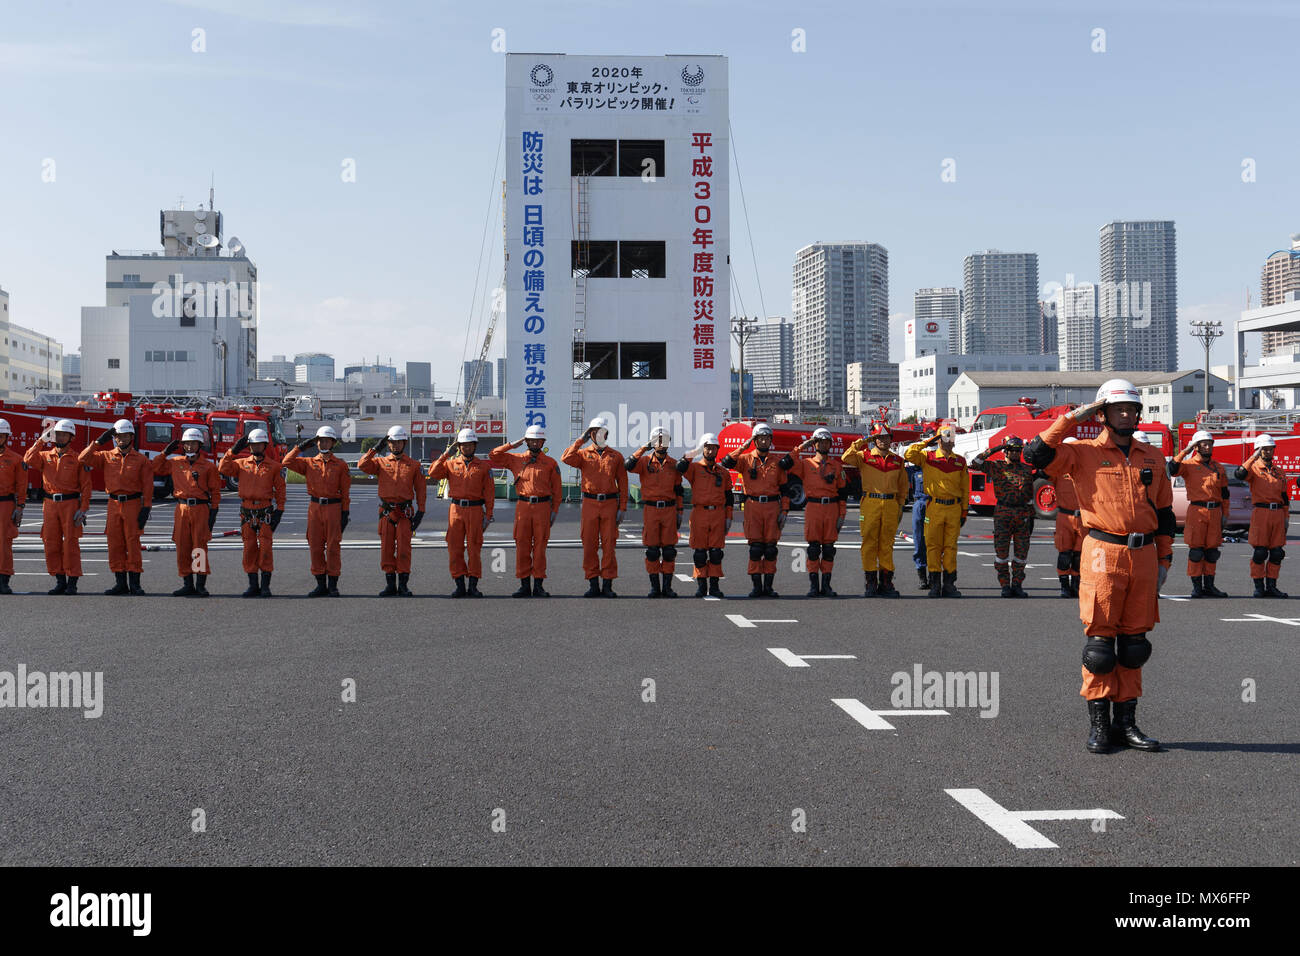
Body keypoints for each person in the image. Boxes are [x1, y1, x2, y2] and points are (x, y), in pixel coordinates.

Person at [1025, 379, 1173, 754]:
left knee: (1135, 645)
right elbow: (1035, 454)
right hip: (1102, 552)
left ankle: (1127, 724)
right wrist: (1073, 417)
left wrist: (1165, 558)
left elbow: (1166, 512)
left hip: (1143, 555)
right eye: (1118, 408)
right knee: (1101, 647)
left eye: (1132, 409)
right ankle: (1100, 726)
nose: (1126, 414)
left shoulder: (1152, 457)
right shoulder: (1081, 452)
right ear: (1103, 414)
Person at [79, 419, 154, 595]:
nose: (122, 439)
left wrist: (147, 507)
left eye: (125, 436)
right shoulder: (106, 456)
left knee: (132, 543)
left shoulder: (141, 460)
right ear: (114, 438)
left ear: (131, 437)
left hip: (133, 504)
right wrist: (98, 442)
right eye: (118, 436)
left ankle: (135, 583)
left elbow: (148, 485)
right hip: (113, 504)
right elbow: (82, 459)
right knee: (115, 544)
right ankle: (120, 583)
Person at [720, 422, 793, 597]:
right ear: (755, 440)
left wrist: (784, 511)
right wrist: (744, 446)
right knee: (755, 549)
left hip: (772, 507)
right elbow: (727, 462)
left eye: (767, 438)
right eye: (760, 438)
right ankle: (756, 587)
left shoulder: (777, 462)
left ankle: (768, 587)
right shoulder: (745, 459)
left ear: (770, 440)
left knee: (770, 549)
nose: (764, 441)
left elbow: (785, 489)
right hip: (752, 507)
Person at [489, 425, 562, 598]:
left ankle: (538, 585)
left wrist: (554, 511)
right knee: (522, 545)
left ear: (543, 442)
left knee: (540, 547)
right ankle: (523, 585)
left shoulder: (551, 463)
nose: (535, 443)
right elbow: (494, 455)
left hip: (543, 508)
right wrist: (513, 444)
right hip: (523, 506)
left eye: (538, 440)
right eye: (531, 440)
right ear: (527, 441)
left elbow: (557, 491)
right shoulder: (516, 459)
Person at [23, 419, 92, 595]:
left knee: (70, 543)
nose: (60, 437)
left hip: (70, 504)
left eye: (64, 434)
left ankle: (72, 582)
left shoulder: (78, 459)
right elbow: (28, 458)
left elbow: (86, 487)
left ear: (71, 437)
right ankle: (60, 580)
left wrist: (83, 509)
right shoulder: (45, 456)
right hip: (50, 504)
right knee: (51, 542)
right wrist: (40, 441)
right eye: (58, 434)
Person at [562, 417, 628, 597]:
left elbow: (623, 483)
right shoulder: (583, 454)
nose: (597, 435)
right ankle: (593, 584)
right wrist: (580, 440)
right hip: (590, 503)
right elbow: (566, 458)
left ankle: (607, 585)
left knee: (609, 545)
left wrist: (622, 507)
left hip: (610, 503)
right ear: (590, 435)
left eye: (601, 432)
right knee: (589, 544)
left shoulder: (616, 456)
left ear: (606, 434)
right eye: (594, 432)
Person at [283, 425, 352, 597]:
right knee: (315, 546)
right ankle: (320, 583)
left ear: (333, 443)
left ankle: (333, 585)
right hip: (315, 508)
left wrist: (345, 513)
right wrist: (300, 446)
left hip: (334, 508)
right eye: (320, 441)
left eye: (327, 440)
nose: (323, 443)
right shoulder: (309, 463)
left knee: (333, 547)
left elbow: (345, 492)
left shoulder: (341, 465)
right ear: (316, 442)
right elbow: (286, 462)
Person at [358, 425, 427, 597]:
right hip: (387, 512)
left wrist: (421, 512)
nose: (395, 446)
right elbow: (362, 465)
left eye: (398, 442)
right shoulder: (380, 463)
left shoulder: (413, 465)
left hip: (405, 512)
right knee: (386, 548)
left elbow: (421, 490)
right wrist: (375, 449)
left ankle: (403, 585)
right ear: (387, 444)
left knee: (404, 549)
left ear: (404, 443)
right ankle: (390, 585)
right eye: (391, 443)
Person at [154, 427, 222, 597]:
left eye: (193, 443)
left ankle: (200, 584)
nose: (190, 447)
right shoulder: (175, 462)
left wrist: (213, 512)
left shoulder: (208, 466)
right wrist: (164, 452)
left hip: (200, 508)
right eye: (186, 444)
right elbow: (155, 467)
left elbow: (215, 491)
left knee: (199, 546)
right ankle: (187, 583)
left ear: (200, 445)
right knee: (182, 545)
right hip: (182, 508)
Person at [842, 424, 908, 598]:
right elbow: (846, 457)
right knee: (869, 543)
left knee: (887, 544)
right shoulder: (864, 456)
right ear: (873, 439)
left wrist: (900, 505)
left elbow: (903, 486)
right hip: (870, 503)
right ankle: (870, 582)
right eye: (879, 437)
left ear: (891, 440)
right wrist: (863, 441)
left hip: (891, 505)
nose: (883, 441)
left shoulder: (898, 461)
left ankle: (886, 583)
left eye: (886, 437)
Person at [428, 428, 495, 598]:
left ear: (475, 446)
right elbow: (433, 473)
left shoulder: (484, 467)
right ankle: (459, 584)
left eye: (470, 444)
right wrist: (445, 455)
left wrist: (488, 515)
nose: (467, 448)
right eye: (463, 445)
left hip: (475, 510)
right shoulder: (450, 464)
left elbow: (489, 493)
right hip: (456, 510)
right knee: (454, 548)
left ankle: (473, 586)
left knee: (474, 549)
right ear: (458, 446)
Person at [780, 427, 847, 597]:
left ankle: (826, 585)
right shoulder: (805, 464)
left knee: (829, 549)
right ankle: (813, 585)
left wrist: (842, 515)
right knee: (813, 549)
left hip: (831, 508)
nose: (824, 445)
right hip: (813, 508)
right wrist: (802, 446)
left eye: (826, 442)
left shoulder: (837, 466)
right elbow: (784, 463)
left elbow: (843, 493)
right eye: (820, 442)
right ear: (815, 444)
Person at [219, 429, 286, 598]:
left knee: (265, 548)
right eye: (252, 444)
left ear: (264, 445)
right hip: (247, 510)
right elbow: (223, 468)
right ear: (249, 446)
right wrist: (232, 451)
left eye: (258, 444)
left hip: (265, 510)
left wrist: (280, 510)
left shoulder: (274, 467)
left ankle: (265, 586)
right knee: (249, 548)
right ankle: (252, 585)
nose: (255, 447)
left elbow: (280, 490)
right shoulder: (241, 464)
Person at [904, 425, 968, 598]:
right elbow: (908, 454)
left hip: (954, 508)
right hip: (934, 507)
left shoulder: (960, 461)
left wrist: (964, 510)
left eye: (951, 437)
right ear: (939, 439)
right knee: (933, 546)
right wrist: (928, 441)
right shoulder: (927, 457)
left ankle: (949, 584)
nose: (949, 441)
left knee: (950, 547)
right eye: (945, 437)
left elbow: (965, 489)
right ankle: (934, 584)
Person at [970, 435, 1037, 598]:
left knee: (1021, 554)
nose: (1015, 454)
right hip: (1003, 513)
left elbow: (1029, 496)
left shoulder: (1027, 469)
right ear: (1006, 451)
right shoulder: (996, 467)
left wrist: (1032, 518)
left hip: (1022, 514)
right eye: (1012, 450)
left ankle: (1017, 585)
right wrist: (996, 449)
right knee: (1001, 554)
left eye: (1017, 451)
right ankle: (1005, 585)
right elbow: (975, 463)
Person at [1168, 429, 1229, 598]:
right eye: (1203, 444)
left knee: (1212, 552)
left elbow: (1225, 493)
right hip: (1197, 510)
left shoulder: (1218, 467)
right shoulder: (1188, 465)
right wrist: (1186, 451)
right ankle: (1196, 587)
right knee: (1196, 551)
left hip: (1216, 511)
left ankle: (1209, 586)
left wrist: (1226, 513)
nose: (1207, 446)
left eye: (1209, 443)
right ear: (1196, 446)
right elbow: (1171, 469)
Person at [625, 426, 685, 598]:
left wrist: (680, 512)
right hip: (651, 509)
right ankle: (654, 587)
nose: (661, 443)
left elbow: (678, 489)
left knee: (668, 550)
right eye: (657, 440)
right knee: (652, 551)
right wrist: (644, 447)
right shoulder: (644, 462)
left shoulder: (674, 464)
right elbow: (628, 465)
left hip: (669, 509)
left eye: (664, 440)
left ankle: (667, 587)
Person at [675, 433, 734, 597]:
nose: (710, 451)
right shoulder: (694, 468)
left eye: (713, 448)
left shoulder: (723, 472)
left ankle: (714, 586)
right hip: (699, 513)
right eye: (707, 448)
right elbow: (680, 467)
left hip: (718, 514)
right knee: (700, 552)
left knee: (716, 553)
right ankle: (701, 586)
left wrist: (729, 517)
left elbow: (729, 497)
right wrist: (695, 451)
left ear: (717, 450)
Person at [1235, 433, 1289, 598]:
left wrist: (1286, 517)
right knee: (1260, 552)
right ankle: (1259, 586)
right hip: (1261, 512)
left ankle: (1272, 586)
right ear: (1258, 450)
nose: (1268, 452)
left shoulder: (1279, 472)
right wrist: (1253, 457)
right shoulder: (1253, 469)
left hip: (1278, 513)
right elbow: (1239, 474)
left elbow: (1284, 496)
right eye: (1264, 449)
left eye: (1270, 449)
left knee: (1277, 552)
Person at [904, 425, 935, 589]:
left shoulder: (940, 463)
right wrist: (925, 443)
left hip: (936, 504)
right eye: (930, 440)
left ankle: (935, 576)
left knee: (936, 543)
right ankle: (922, 575)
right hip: (920, 504)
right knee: (919, 541)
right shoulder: (916, 464)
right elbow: (908, 454)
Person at [1054, 437, 1083, 598]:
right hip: (1065, 517)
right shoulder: (1058, 469)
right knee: (1064, 553)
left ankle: (1076, 584)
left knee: (1080, 555)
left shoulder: (1086, 468)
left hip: (1084, 518)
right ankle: (1064, 585)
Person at [0, 418, 27, 595]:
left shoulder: (16, 460)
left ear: (6, 437)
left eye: (1, 435)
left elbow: (21, 485)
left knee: (4, 544)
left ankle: (4, 579)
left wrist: (20, 507)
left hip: (5, 504)